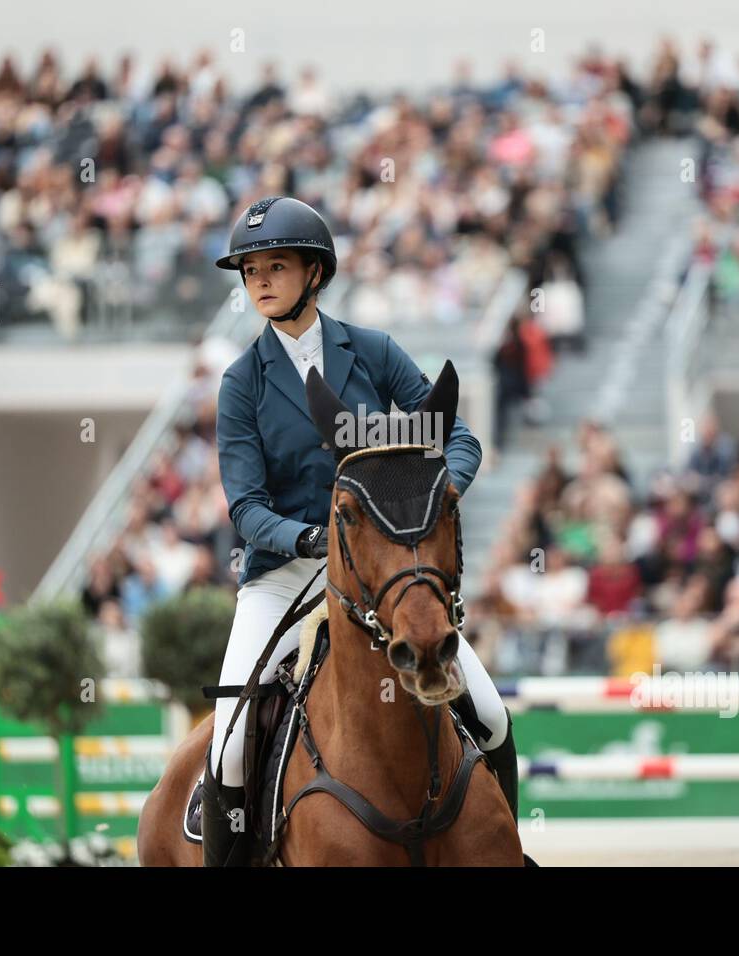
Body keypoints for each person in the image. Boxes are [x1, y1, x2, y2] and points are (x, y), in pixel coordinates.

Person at [203, 196, 517, 866]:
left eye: (275, 266)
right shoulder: (242, 384)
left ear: (314, 273)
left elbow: (454, 437)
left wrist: (442, 490)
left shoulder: (372, 352)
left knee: (490, 715)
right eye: (250, 269)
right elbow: (246, 506)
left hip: (385, 572)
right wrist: (309, 540)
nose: (259, 280)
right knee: (226, 747)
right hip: (286, 576)